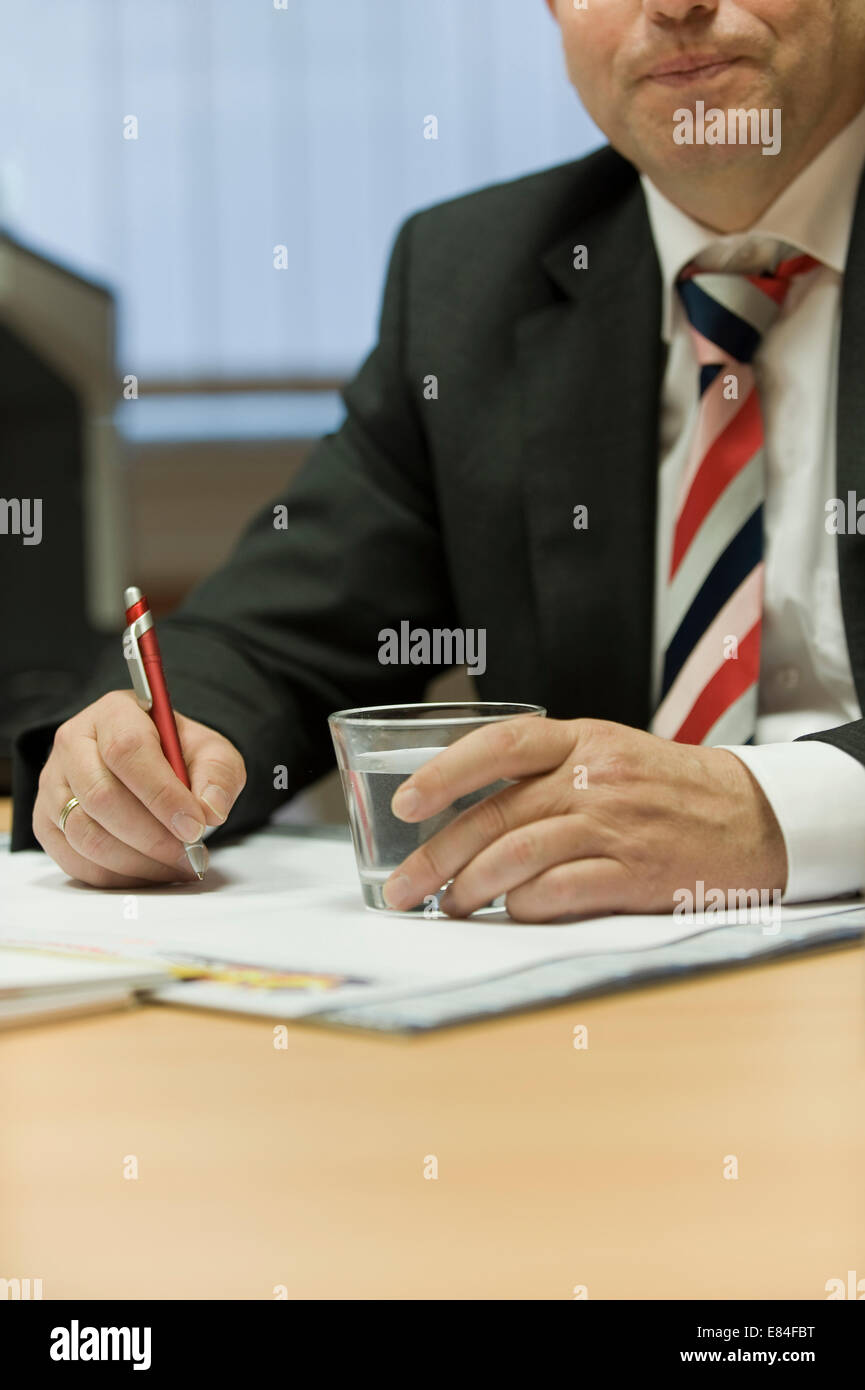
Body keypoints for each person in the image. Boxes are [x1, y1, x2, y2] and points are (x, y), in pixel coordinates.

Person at [13, 0, 865, 921]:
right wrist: (144, 757)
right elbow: (280, 639)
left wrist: (771, 814)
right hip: (595, 976)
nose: (672, 6)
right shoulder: (473, 276)